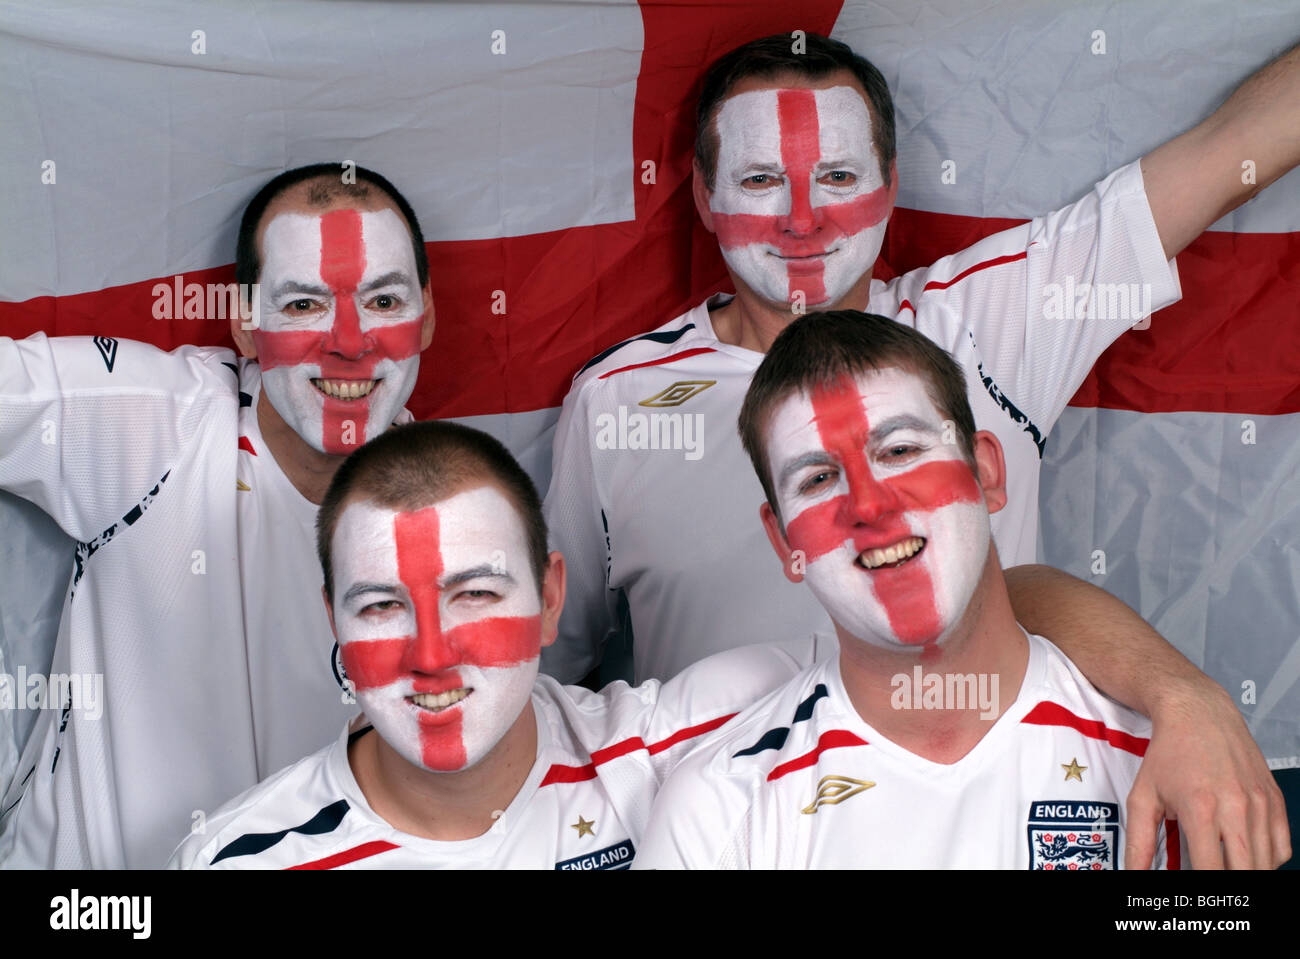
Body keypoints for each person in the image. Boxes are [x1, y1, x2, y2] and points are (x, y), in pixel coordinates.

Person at [543, 32, 1296, 867]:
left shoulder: (988, 320)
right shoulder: (617, 401)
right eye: (761, 180)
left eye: (837, 176)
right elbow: (542, 668)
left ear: (892, 184)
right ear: (703, 192)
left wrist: (1189, 695)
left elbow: (1235, 149)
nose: (802, 219)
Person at [637, 311, 1189, 868]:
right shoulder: (718, 810)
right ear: (785, 545)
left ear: (987, 473)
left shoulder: (1173, 764)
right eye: (818, 480)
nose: (870, 505)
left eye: (900, 450)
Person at [0, 163, 437, 868]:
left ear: (428, 317)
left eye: (385, 300)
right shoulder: (153, 423)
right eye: (303, 305)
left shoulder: (460, 513)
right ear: (244, 321)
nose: (351, 341)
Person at [168, 421, 813, 869]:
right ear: (333, 621)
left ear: (550, 598)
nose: (430, 656)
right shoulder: (242, 858)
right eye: (382, 606)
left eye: (475, 595)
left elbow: (879, 674)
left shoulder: (671, 756)